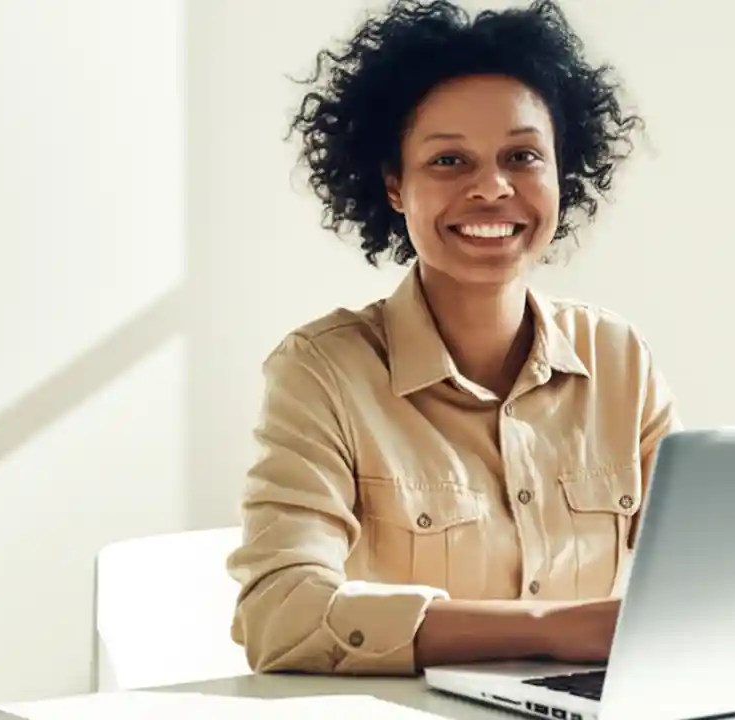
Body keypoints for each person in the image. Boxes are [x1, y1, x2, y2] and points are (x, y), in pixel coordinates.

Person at [226, 0, 679, 676]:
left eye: (523, 156)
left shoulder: (619, 359)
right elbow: (281, 616)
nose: (492, 188)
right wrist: (553, 629)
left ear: (562, 173)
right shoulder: (321, 372)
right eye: (448, 161)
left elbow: (701, 576)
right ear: (395, 187)